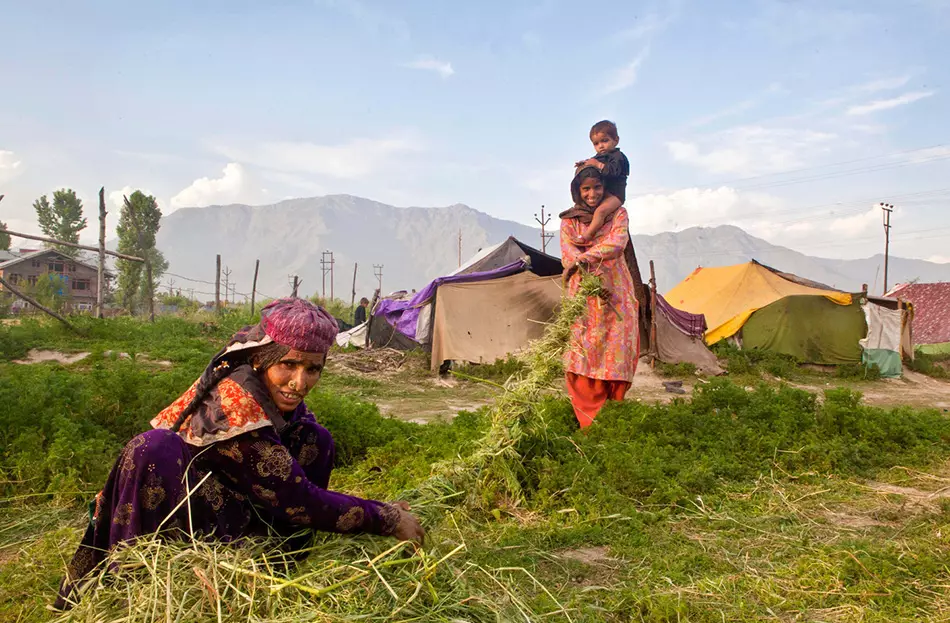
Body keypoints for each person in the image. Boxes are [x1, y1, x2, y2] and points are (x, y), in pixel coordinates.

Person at [54, 298, 424, 610]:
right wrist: (386, 518)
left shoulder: (267, 388)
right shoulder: (235, 409)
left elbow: (294, 472)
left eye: (313, 369)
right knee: (156, 449)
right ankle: (151, 585)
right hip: (172, 508)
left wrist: (368, 508)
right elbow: (299, 500)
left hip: (219, 491)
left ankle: (280, 563)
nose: (300, 382)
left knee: (316, 439)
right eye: (289, 365)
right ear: (263, 360)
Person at [559, 166, 639, 428]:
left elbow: (617, 243)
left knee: (616, 351)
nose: (592, 194)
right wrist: (580, 266)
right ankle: (587, 422)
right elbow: (567, 253)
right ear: (577, 191)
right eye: (586, 188)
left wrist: (585, 257)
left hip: (616, 294)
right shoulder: (569, 221)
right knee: (584, 351)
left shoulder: (617, 214)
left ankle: (610, 420)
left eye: (597, 187)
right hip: (584, 297)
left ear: (606, 188)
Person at [571, 120, 630, 246]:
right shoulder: (601, 157)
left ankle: (587, 235)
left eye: (605, 141)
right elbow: (593, 165)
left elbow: (613, 172)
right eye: (596, 143)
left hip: (615, 195)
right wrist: (585, 164)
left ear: (616, 140)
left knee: (600, 212)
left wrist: (597, 164)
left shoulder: (618, 157)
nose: (601, 146)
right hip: (605, 192)